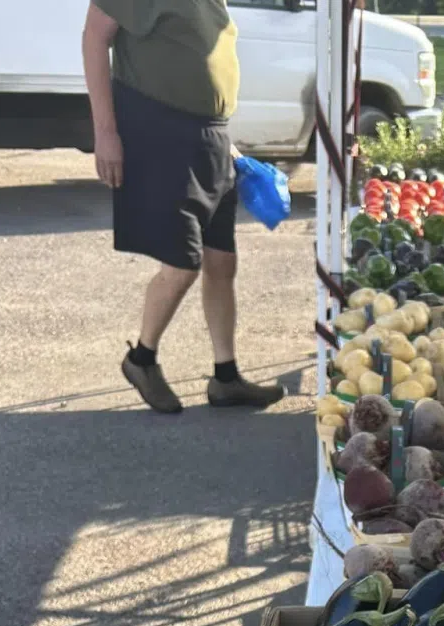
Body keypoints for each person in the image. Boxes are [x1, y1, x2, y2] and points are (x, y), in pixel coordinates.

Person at [82, 0, 284, 413]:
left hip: (210, 138)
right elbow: (92, 40)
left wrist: (228, 147)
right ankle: (141, 359)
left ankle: (225, 378)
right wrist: (105, 133)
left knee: (221, 261)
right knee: (182, 263)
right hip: (158, 132)